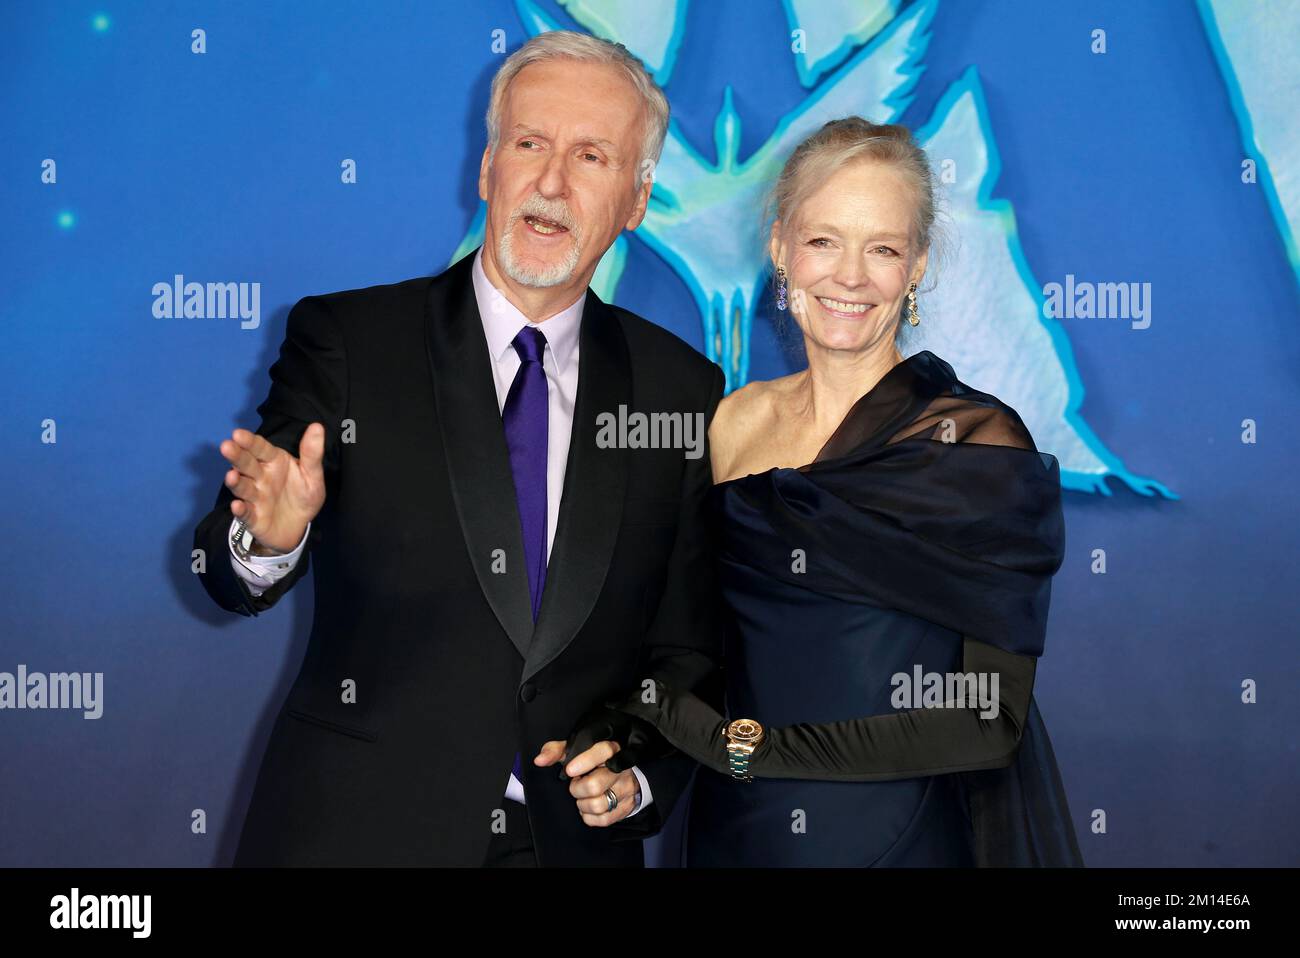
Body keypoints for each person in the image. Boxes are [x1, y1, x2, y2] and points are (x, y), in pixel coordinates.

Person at [193, 31, 724, 867]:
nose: (551, 183)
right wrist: (272, 536)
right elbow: (224, 573)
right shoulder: (348, 341)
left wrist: (641, 769)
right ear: (487, 168)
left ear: (637, 199)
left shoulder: (680, 391)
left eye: (591, 157)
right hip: (352, 839)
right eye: (528, 144)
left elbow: (686, 647)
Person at [612, 117, 1084, 866]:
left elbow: (988, 719)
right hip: (740, 831)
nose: (852, 276)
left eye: (884, 248)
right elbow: (690, 646)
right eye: (824, 240)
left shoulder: (979, 445)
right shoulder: (731, 424)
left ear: (918, 265)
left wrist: (753, 749)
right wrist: (642, 731)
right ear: (780, 247)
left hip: (898, 836)